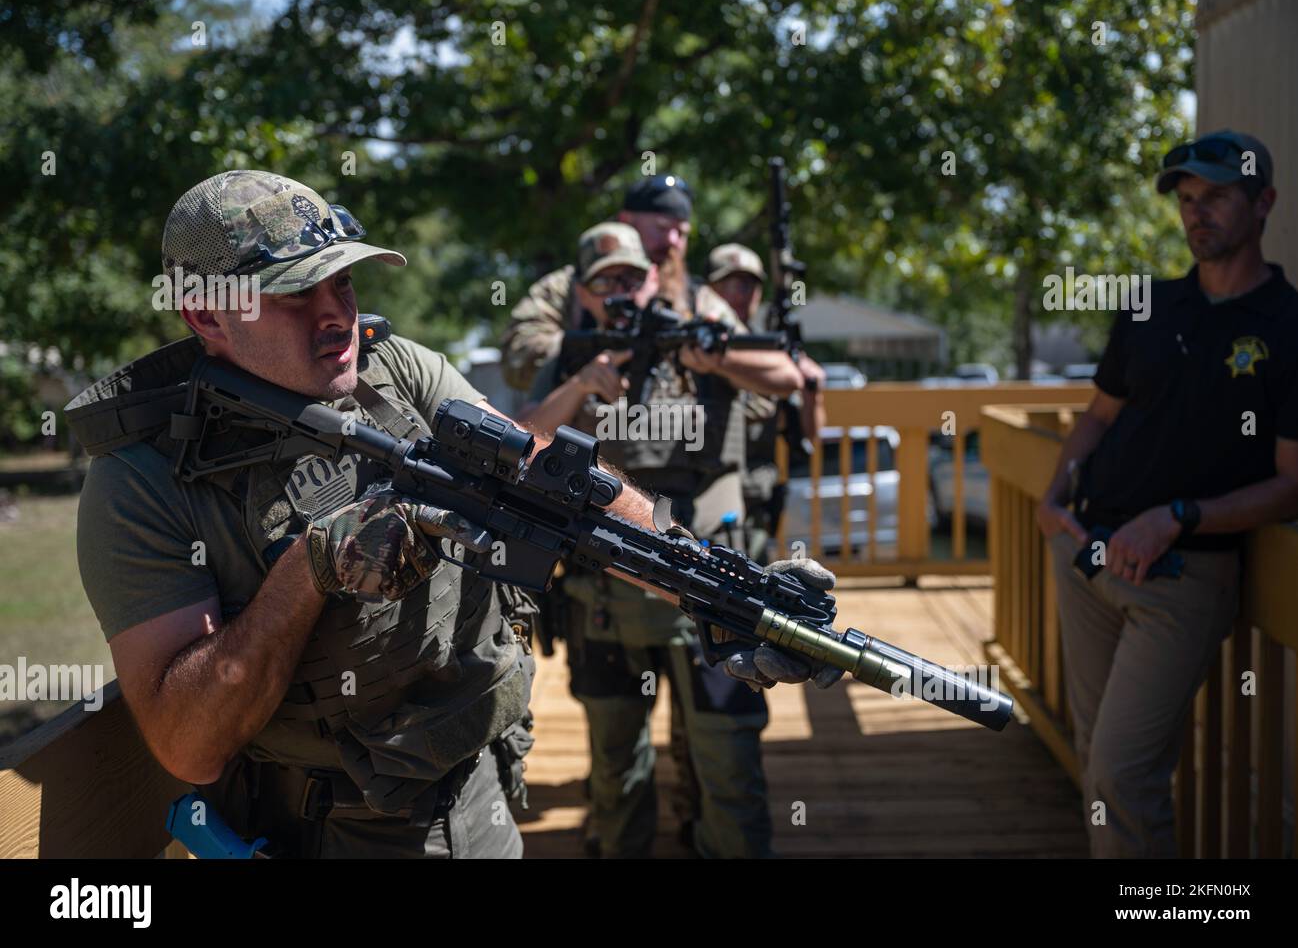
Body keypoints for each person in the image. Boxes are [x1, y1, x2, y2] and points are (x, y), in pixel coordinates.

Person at [65, 170, 832, 859]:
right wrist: (311, 569)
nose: (335, 316)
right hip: (326, 828)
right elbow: (189, 747)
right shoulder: (143, 478)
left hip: (482, 796)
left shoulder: (395, 370)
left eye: (343, 284)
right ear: (206, 317)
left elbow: (549, 478)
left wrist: (712, 588)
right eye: (296, 294)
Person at [1035, 131, 1298, 857]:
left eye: (1215, 196)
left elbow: (1291, 484)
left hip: (1181, 578)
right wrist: (1053, 502)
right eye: (1186, 199)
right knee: (1100, 758)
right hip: (1086, 558)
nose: (1196, 212)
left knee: (1123, 772)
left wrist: (1179, 517)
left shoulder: (1290, 326)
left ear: (1263, 202)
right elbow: (1099, 414)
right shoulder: (1149, 306)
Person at [520, 221, 817, 858]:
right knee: (616, 764)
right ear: (587, 294)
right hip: (606, 586)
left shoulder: (701, 313)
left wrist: (714, 357)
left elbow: (789, 376)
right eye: (608, 283)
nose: (624, 290)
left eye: (634, 276)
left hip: (712, 576)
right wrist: (581, 385)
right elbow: (526, 441)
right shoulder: (577, 352)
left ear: (655, 276)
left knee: (727, 754)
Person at [500, 173, 736, 394]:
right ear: (627, 221)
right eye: (662, 228)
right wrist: (604, 346)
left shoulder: (698, 298)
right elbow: (517, 359)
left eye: (682, 233)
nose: (672, 241)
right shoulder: (569, 286)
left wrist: (709, 352)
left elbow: (758, 362)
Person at [706, 243, 826, 561]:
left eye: (750, 285)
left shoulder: (774, 358)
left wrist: (813, 391)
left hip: (755, 507)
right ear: (710, 289)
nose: (742, 293)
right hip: (707, 503)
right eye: (731, 284)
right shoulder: (698, 348)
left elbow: (809, 435)